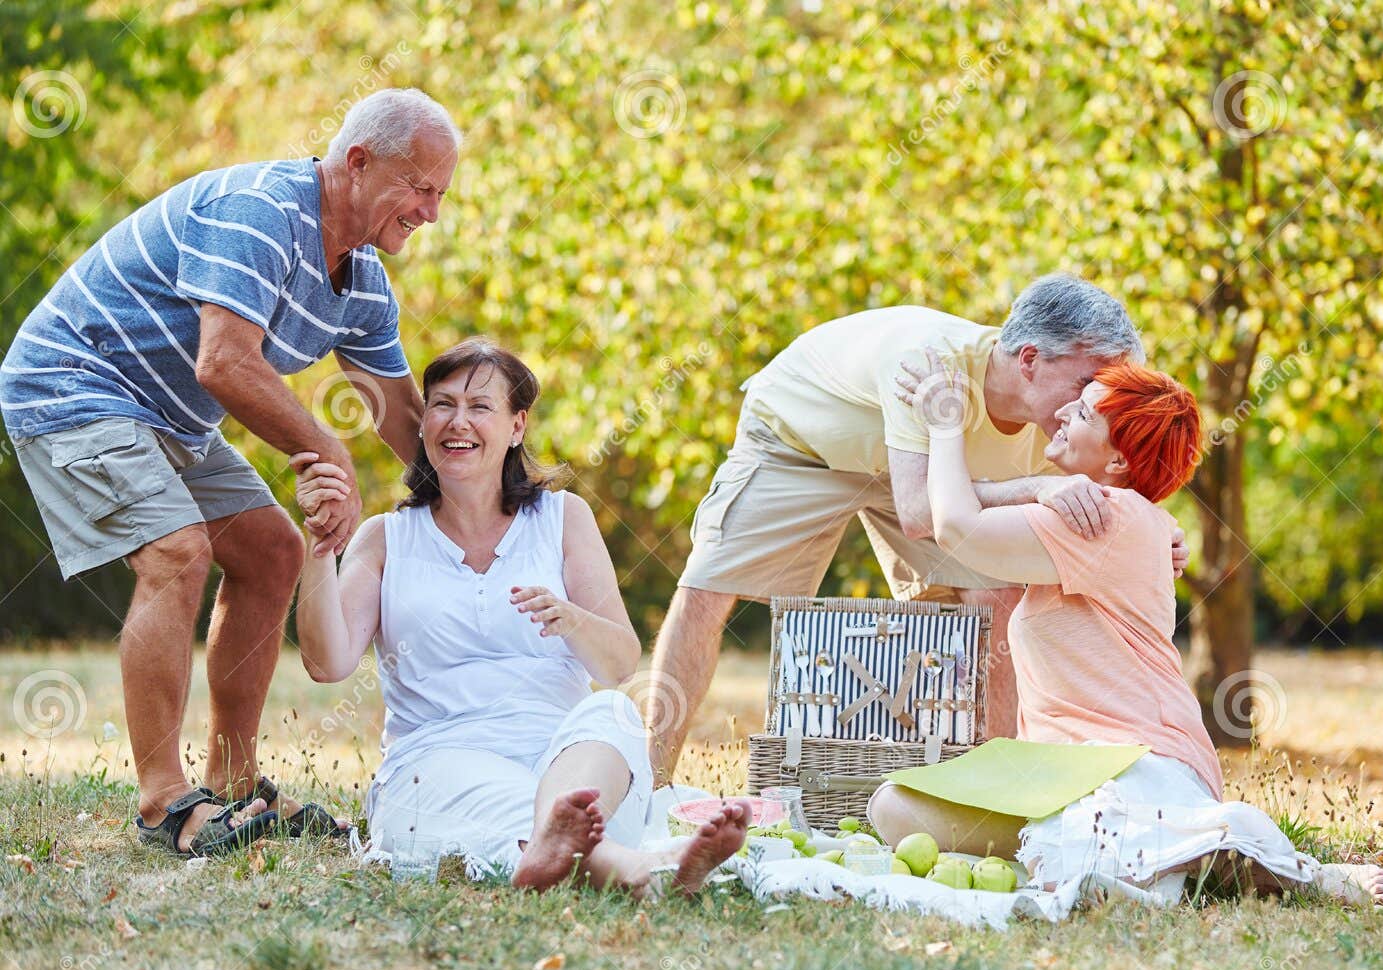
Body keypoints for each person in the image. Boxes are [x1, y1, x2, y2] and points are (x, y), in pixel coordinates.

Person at [0, 88, 459, 858]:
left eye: (441, 195)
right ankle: (163, 803)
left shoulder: (366, 284)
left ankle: (236, 784)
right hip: (76, 383)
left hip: (169, 415)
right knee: (178, 552)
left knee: (275, 551)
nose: (432, 213)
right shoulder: (261, 212)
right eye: (420, 188)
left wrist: (494, 500)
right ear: (356, 161)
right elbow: (223, 363)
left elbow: (402, 419)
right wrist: (328, 452)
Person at [867, 355, 1383, 906]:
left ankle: (1285, 869)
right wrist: (1037, 487)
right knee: (892, 805)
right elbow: (969, 520)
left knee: (1100, 818)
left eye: (1086, 411)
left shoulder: (1108, 516)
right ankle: (1109, 859)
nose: (1065, 410)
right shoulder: (1100, 512)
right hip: (1056, 770)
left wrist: (946, 421)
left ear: (1118, 459)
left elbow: (954, 526)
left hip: (1134, 759)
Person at [646, 274, 1192, 781]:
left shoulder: (1065, 421)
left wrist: (1154, 539)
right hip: (805, 443)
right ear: (1030, 359)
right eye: (1088, 381)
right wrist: (1034, 488)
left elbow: (1113, 490)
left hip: (937, 477)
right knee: (709, 585)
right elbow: (920, 511)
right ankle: (651, 780)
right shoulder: (931, 366)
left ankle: (991, 790)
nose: (1094, 400)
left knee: (997, 596)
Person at [292, 339, 750, 895]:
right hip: (439, 764)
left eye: (480, 406)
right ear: (423, 422)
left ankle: (566, 843)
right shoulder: (385, 539)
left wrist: (571, 618)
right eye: (442, 404)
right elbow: (327, 662)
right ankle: (639, 867)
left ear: (516, 426)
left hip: (576, 771)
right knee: (508, 802)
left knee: (611, 711)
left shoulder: (563, 519)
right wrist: (317, 546)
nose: (458, 421)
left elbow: (620, 662)